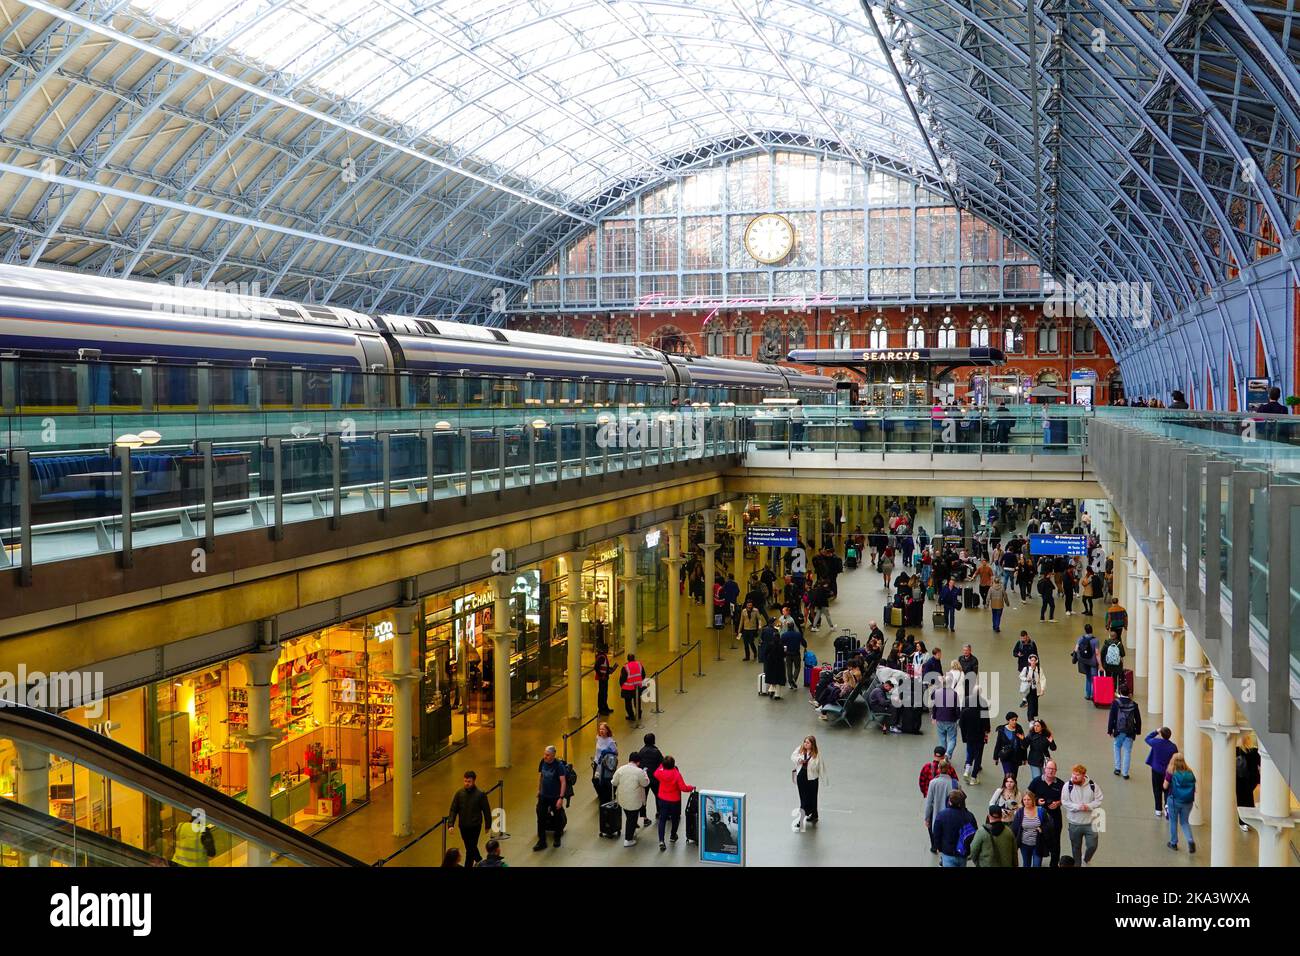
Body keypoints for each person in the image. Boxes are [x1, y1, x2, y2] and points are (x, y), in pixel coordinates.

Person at [448, 770, 493, 866]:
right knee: (470, 846)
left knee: (470, 847)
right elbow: (453, 809)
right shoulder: (459, 794)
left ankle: (471, 864)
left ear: (474, 781)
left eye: (469, 781)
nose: (466, 783)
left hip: (475, 826)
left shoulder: (480, 794)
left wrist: (487, 825)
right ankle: (479, 859)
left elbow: (486, 810)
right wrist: (450, 824)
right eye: (465, 781)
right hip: (463, 826)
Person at [1062, 763, 1104, 866]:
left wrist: (1088, 806)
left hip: (1090, 823)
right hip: (1074, 823)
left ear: (1084, 775)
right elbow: (1065, 801)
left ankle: (1085, 859)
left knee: (1092, 845)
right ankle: (1077, 864)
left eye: (1077, 775)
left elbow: (1099, 799)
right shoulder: (1068, 786)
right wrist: (1077, 807)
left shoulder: (1093, 786)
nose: (1074, 777)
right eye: (1073, 775)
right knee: (1076, 848)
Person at [1027, 759, 1066, 867]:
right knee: (1037, 839)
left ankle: (1053, 864)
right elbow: (1027, 796)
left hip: (1055, 818)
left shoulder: (1061, 784)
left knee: (1055, 843)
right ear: (1045, 769)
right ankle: (1036, 862)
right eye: (1049, 768)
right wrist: (1036, 801)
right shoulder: (1036, 781)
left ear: (1056, 771)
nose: (1051, 771)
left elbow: (1065, 800)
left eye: (1053, 769)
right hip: (1039, 817)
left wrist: (1058, 803)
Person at [652, 756, 694, 851]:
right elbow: (683, 788)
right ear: (673, 764)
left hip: (662, 799)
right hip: (674, 801)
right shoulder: (676, 774)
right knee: (675, 819)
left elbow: (655, 773)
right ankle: (673, 835)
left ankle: (661, 841)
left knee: (662, 819)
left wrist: (662, 764)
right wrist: (691, 787)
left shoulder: (660, 772)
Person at [923, 757, 962, 855]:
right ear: (949, 769)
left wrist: (927, 817)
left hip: (937, 815)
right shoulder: (955, 784)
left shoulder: (933, 783)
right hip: (952, 816)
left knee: (937, 834)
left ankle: (936, 847)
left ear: (938, 769)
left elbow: (929, 802)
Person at [610, 753, 650, 847]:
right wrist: (646, 775)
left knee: (629, 816)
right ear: (638, 762)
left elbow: (614, 782)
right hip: (634, 800)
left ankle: (632, 831)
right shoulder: (639, 771)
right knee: (632, 819)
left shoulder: (621, 769)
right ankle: (628, 839)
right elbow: (645, 784)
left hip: (622, 799)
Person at [533, 745, 568, 851]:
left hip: (555, 797)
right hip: (544, 796)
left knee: (557, 817)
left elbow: (563, 782)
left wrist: (561, 798)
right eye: (544, 754)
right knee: (541, 817)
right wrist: (539, 790)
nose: (545, 756)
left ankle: (557, 837)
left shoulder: (559, 766)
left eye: (547, 755)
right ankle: (542, 840)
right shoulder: (542, 762)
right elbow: (541, 777)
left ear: (553, 755)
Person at [932, 790, 978, 867]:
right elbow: (974, 833)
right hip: (962, 852)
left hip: (948, 852)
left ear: (950, 801)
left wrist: (938, 847)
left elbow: (936, 833)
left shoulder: (942, 815)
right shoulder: (969, 816)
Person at [1011, 789, 1054, 867]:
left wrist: (1042, 829)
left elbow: (1049, 825)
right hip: (1024, 844)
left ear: (1033, 800)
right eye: (1024, 799)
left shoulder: (1041, 811)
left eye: (1028, 799)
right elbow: (1014, 829)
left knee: (1037, 865)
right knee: (1026, 864)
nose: (1026, 802)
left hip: (1038, 843)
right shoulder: (1020, 812)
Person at [1164, 753, 1198, 852]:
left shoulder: (1171, 772)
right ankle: (1190, 840)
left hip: (1174, 801)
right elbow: (1194, 789)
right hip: (1188, 802)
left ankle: (1173, 843)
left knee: (1173, 821)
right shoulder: (1190, 772)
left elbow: (1165, 786)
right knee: (1184, 822)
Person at [792, 735, 827, 829]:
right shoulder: (800, 749)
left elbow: (820, 766)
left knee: (813, 797)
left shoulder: (817, 754)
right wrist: (799, 760)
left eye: (808, 742)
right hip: (802, 777)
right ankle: (801, 819)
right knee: (803, 798)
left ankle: (814, 814)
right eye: (805, 742)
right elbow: (793, 756)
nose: (805, 744)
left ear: (812, 744)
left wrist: (824, 779)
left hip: (812, 779)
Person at [1107, 682, 1141, 779]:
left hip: (1118, 730)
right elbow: (1138, 719)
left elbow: (1111, 717)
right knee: (1127, 751)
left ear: (1120, 692)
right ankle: (1125, 773)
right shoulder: (1134, 704)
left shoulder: (1115, 703)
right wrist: (1137, 731)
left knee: (1117, 747)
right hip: (1130, 732)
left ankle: (1117, 768)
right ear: (1129, 693)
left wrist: (1110, 730)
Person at [958, 683, 990, 785]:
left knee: (969, 751)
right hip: (979, 734)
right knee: (978, 755)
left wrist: (964, 733)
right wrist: (987, 730)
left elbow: (961, 721)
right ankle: (973, 777)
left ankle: (967, 769)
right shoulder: (984, 703)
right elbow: (986, 720)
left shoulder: (966, 701)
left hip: (968, 734)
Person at [1144, 727, 1178, 818]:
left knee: (1157, 789)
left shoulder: (1156, 742)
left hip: (1156, 770)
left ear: (1161, 734)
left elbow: (1147, 738)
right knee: (1167, 790)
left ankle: (1158, 810)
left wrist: (1156, 731)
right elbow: (1175, 759)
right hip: (1168, 772)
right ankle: (1167, 807)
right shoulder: (1173, 747)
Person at [637, 733, 664, 828]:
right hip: (655, 779)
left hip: (644, 778)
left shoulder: (641, 751)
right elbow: (663, 763)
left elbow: (639, 764)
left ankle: (644, 818)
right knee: (658, 796)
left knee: (643, 799)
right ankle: (659, 813)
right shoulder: (656, 752)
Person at [930, 678, 961, 759]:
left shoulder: (937, 692)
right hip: (951, 719)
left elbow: (934, 704)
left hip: (940, 718)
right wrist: (958, 718)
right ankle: (948, 754)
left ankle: (942, 755)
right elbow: (957, 708)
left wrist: (934, 717)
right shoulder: (954, 694)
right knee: (952, 739)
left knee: (942, 739)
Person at [992, 711, 1026, 781]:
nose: (1014, 722)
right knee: (1008, 776)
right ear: (1008, 720)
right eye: (1012, 720)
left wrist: (1024, 758)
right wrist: (996, 757)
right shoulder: (1002, 730)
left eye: (1016, 720)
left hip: (1016, 756)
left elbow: (1023, 745)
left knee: (1014, 777)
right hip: (1006, 756)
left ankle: (1013, 791)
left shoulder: (1019, 728)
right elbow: (998, 744)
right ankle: (1005, 791)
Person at [1236, 739, 1262, 831]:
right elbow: (1260, 764)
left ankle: (1243, 821)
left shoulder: (1237, 751)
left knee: (1241, 799)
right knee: (1248, 797)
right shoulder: (1254, 752)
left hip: (1240, 779)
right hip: (1250, 780)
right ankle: (1248, 819)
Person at [592, 722, 618, 805]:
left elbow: (616, 752)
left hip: (606, 765)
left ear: (607, 730)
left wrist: (608, 751)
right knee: (595, 780)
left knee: (606, 781)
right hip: (597, 763)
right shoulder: (598, 738)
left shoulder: (610, 741)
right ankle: (601, 795)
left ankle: (608, 796)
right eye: (600, 729)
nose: (601, 731)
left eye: (603, 729)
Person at [763, 621, 789, 699]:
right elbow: (784, 655)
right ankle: (777, 695)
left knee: (772, 678)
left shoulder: (770, 644)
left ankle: (771, 690)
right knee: (779, 680)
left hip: (771, 664)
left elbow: (765, 653)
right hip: (779, 664)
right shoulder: (781, 646)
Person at [1018, 653, 1046, 721]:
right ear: (1029, 661)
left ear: (1036, 661)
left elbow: (1043, 679)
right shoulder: (1026, 669)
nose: (1033, 662)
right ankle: (1030, 720)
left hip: (1036, 689)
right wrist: (1026, 679)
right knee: (1031, 705)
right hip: (1029, 689)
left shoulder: (1039, 669)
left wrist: (1042, 689)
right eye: (1032, 660)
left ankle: (1034, 716)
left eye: (1034, 660)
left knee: (1035, 704)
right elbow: (1021, 676)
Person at [1075, 625, 1099, 700]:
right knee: (1093, 678)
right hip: (1093, 662)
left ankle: (1087, 695)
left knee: (1088, 678)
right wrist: (1100, 665)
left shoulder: (1081, 638)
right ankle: (1093, 695)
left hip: (1084, 661)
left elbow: (1075, 649)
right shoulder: (1096, 640)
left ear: (1085, 630)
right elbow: (1097, 653)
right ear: (1092, 630)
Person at [619, 653, 645, 722]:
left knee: (628, 703)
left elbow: (622, 679)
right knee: (637, 701)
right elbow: (643, 675)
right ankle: (639, 714)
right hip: (637, 687)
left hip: (628, 689)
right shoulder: (639, 664)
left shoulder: (625, 667)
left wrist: (622, 686)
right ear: (634, 658)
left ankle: (631, 716)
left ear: (627, 659)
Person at [782, 622, 807, 689]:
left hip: (788, 654)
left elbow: (781, 643)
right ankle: (794, 679)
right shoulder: (798, 634)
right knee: (797, 667)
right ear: (793, 627)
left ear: (788, 627)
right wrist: (805, 646)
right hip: (796, 653)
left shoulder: (784, 635)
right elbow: (804, 643)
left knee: (789, 668)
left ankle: (790, 682)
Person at [593, 642, 614, 716]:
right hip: (603, 678)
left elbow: (603, 666)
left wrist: (609, 669)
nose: (608, 649)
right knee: (602, 693)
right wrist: (602, 675)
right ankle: (601, 709)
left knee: (604, 693)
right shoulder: (601, 657)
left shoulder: (602, 656)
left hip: (604, 677)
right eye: (607, 648)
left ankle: (605, 707)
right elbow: (596, 667)